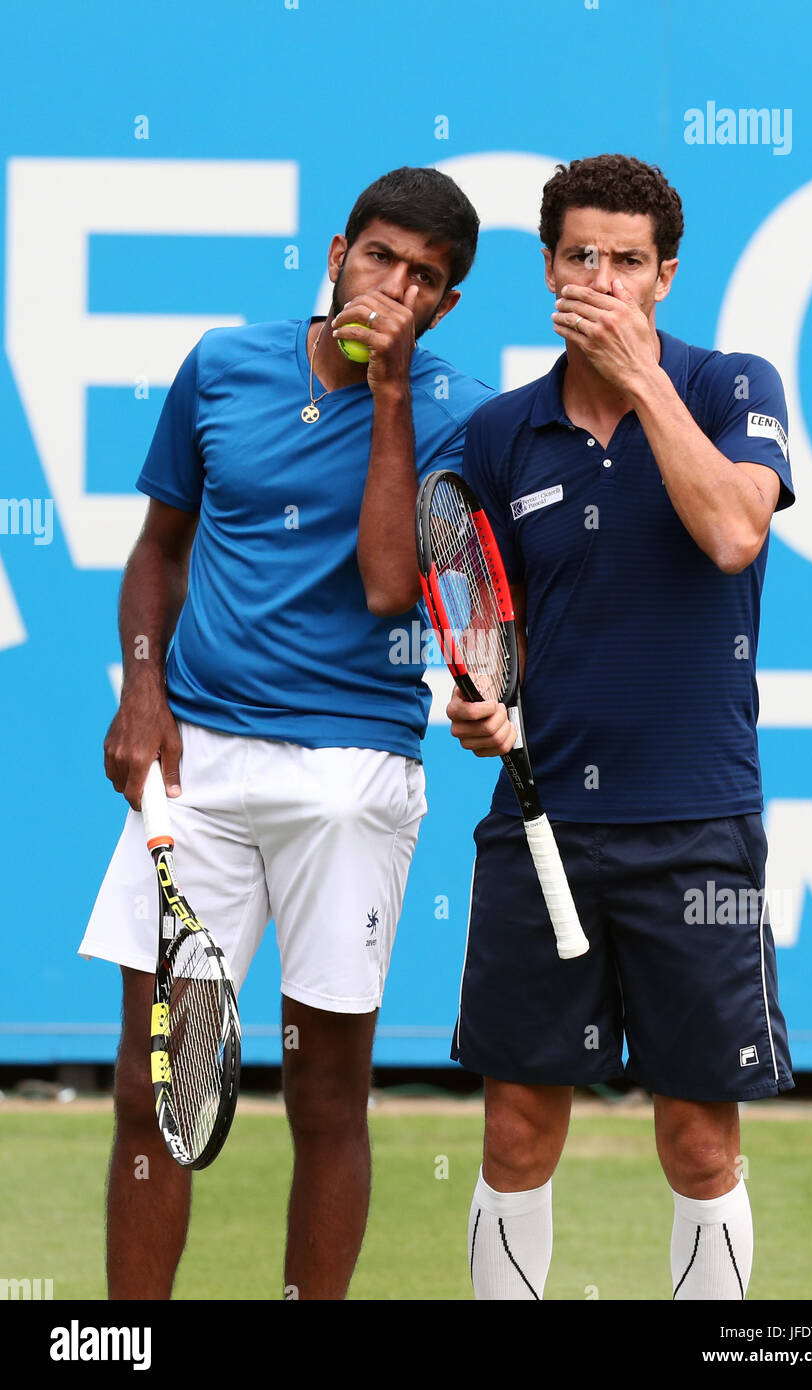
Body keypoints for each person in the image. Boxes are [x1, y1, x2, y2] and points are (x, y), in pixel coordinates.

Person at [79, 165, 493, 1300]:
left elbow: (381, 585)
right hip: (196, 762)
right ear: (335, 253)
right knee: (153, 1082)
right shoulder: (221, 365)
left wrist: (392, 395)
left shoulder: (458, 406)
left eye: (424, 279)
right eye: (380, 259)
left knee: (325, 1096)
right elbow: (160, 547)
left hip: (352, 776)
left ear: (444, 305)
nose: (393, 289)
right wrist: (142, 693)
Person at [444, 155, 795, 1300]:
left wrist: (644, 384)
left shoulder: (733, 385)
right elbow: (505, 627)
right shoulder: (500, 434)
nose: (600, 277)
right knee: (512, 1137)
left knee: (699, 1142)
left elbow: (734, 532)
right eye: (579, 255)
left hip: (697, 830)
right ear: (545, 267)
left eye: (625, 260)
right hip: (542, 830)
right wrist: (490, 700)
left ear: (664, 276)